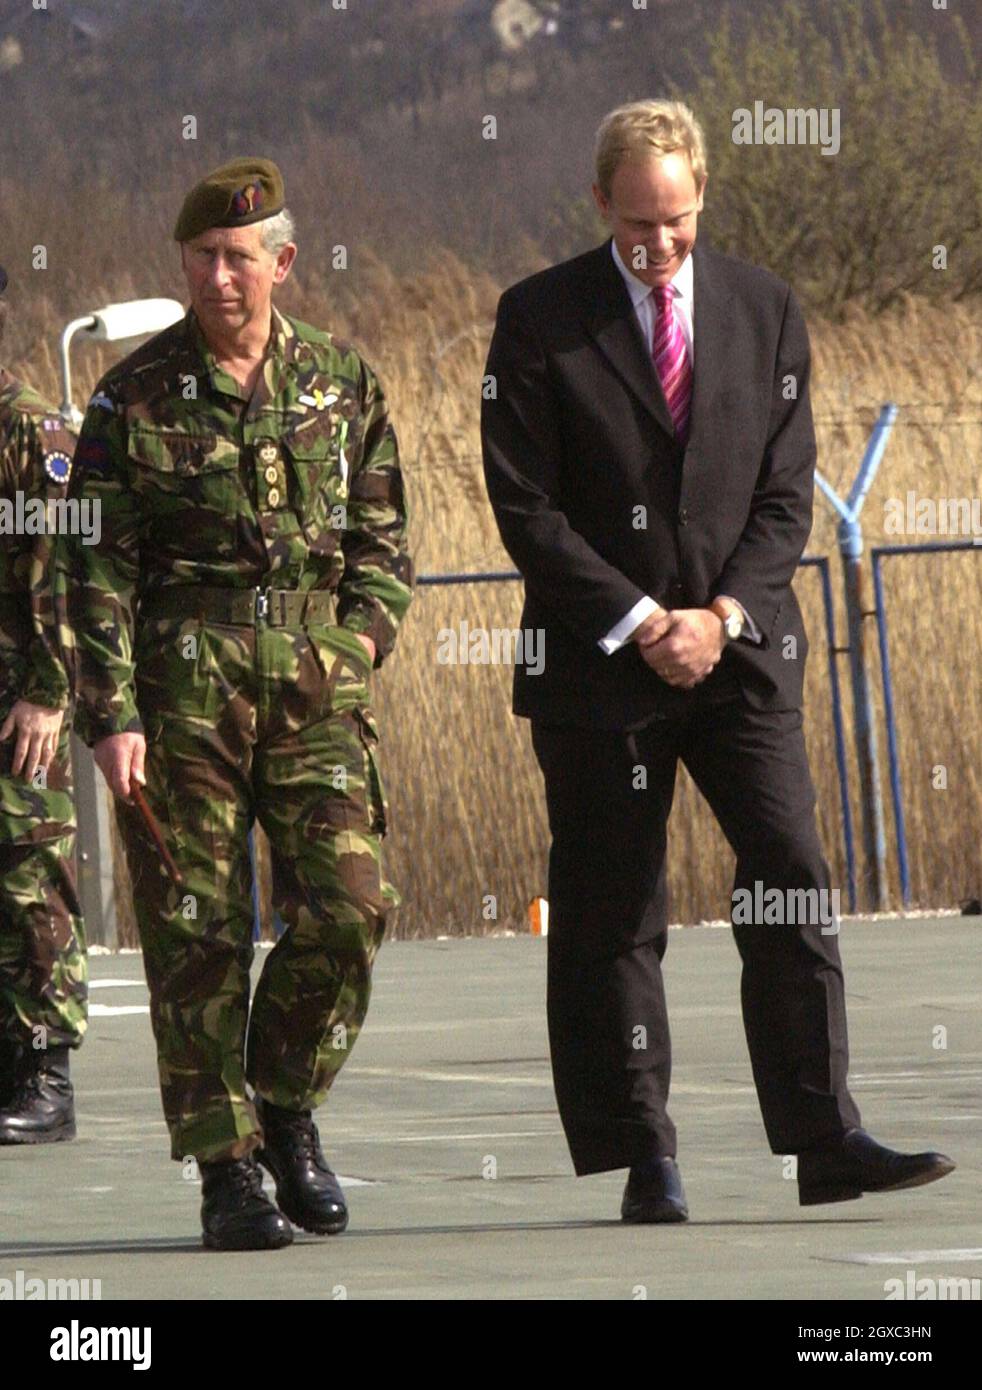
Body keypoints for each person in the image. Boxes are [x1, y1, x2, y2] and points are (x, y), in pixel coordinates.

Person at [480, 100, 954, 1221]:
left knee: (789, 871)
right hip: (603, 670)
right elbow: (526, 506)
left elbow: (787, 493)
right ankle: (643, 1153)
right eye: (637, 223)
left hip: (738, 658)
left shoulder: (765, 310)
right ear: (600, 203)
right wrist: (646, 619)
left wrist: (724, 613)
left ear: (703, 196)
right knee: (612, 909)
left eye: (677, 221)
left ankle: (824, 1133)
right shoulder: (538, 319)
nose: (657, 245)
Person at [62, 159, 413, 1249]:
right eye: (204, 258)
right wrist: (111, 715)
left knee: (351, 905)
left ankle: (285, 1101)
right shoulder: (134, 394)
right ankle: (227, 1170)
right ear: (183, 264)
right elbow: (99, 567)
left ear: (283, 262)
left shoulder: (342, 382)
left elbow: (385, 544)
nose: (221, 277)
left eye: (241, 258)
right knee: (194, 930)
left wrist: (354, 643)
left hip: (312, 683)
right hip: (184, 688)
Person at [0, 263, 87, 1143]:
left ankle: (45, 1070)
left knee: (29, 876)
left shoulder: (31, 432)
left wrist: (48, 694)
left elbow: (67, 568)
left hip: (18, 696)